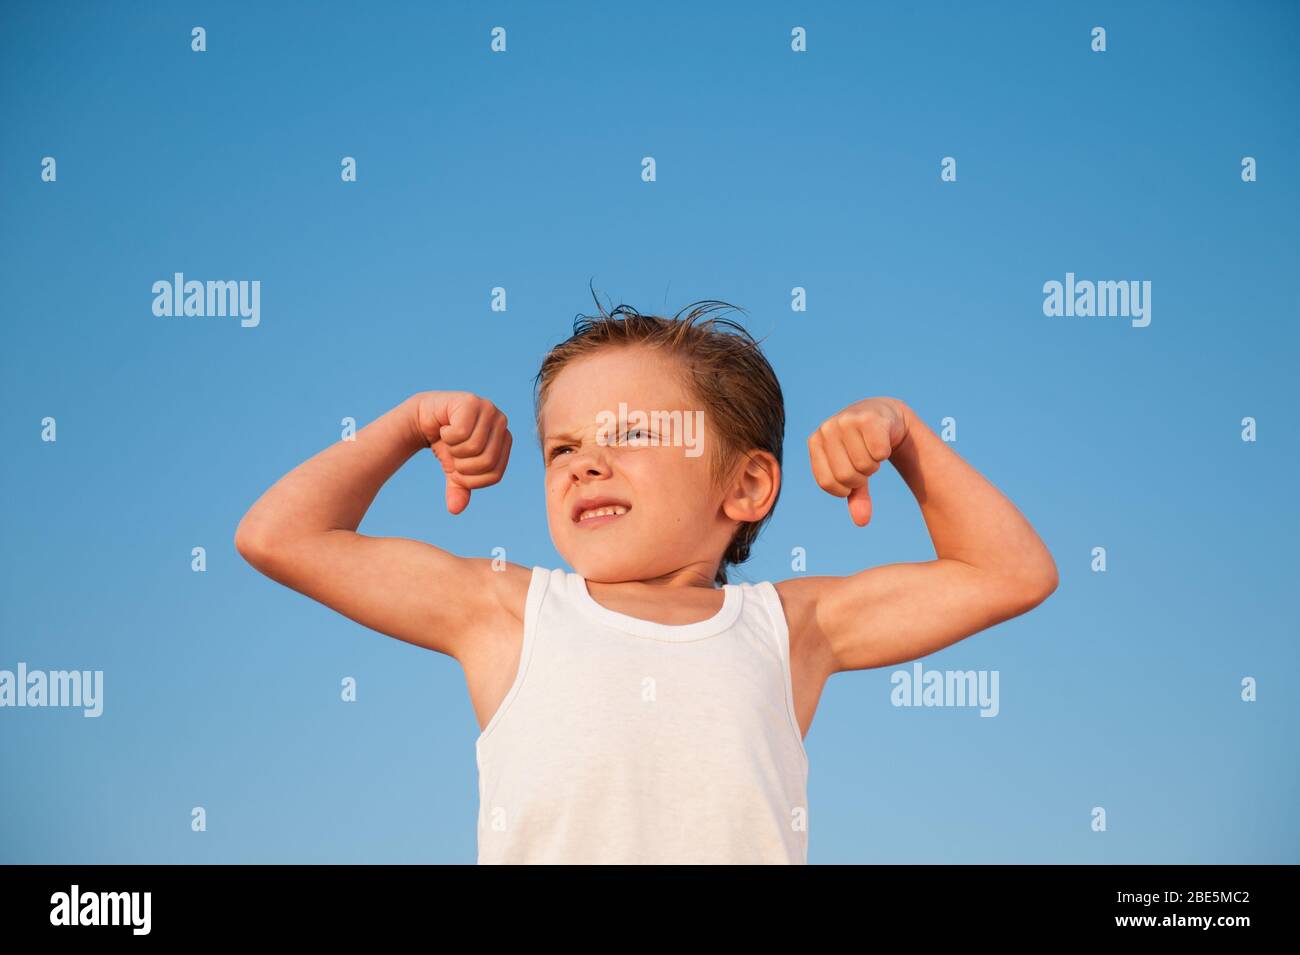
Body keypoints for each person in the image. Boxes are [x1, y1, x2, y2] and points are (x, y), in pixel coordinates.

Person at [234, 297, 1058, 864]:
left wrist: (906, 437)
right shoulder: (506, 611)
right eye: (562, 446)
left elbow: (1011, 573)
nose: (585, 460)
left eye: (634, 432)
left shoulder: (790, 629)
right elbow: (280, 535)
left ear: (745, 487)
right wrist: (407, 425)